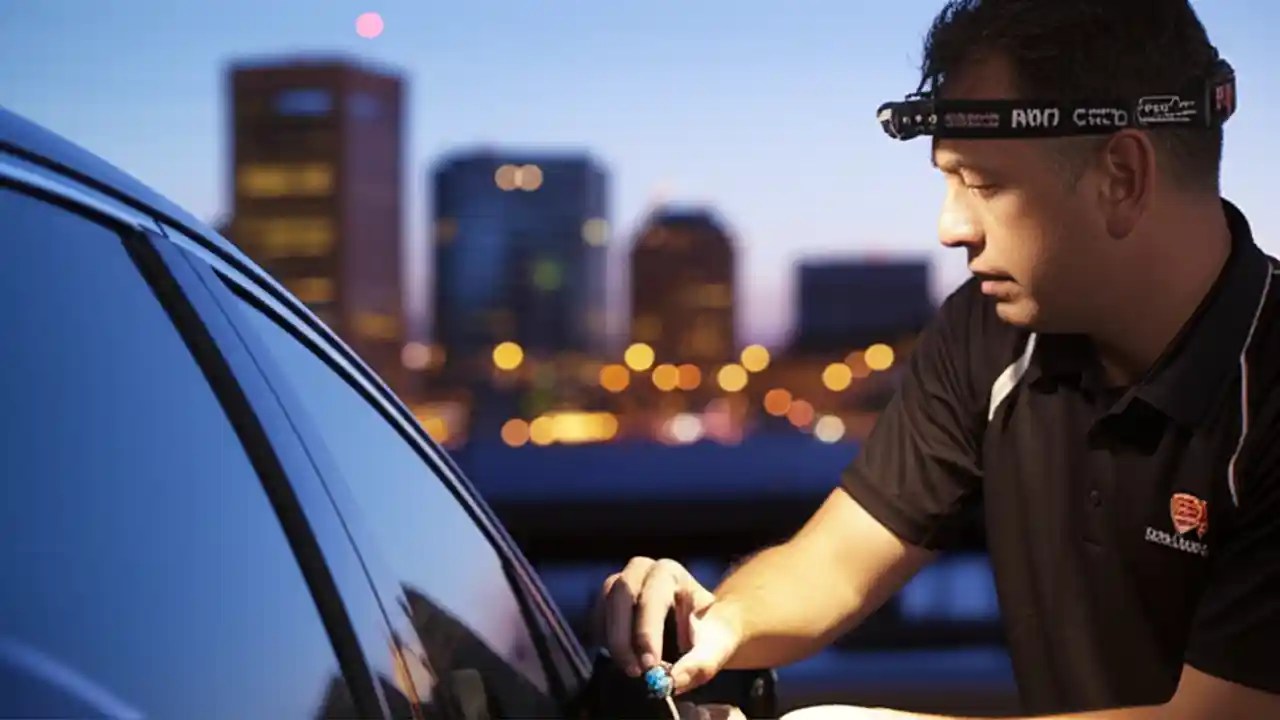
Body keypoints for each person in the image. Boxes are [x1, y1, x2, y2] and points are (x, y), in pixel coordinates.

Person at [599, 1, 1280, 718]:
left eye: (982, 183)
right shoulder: (991, 334)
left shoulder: (1264, 394)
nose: (950, 227)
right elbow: (837, 565)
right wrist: (717, 620)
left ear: (1122, 176)